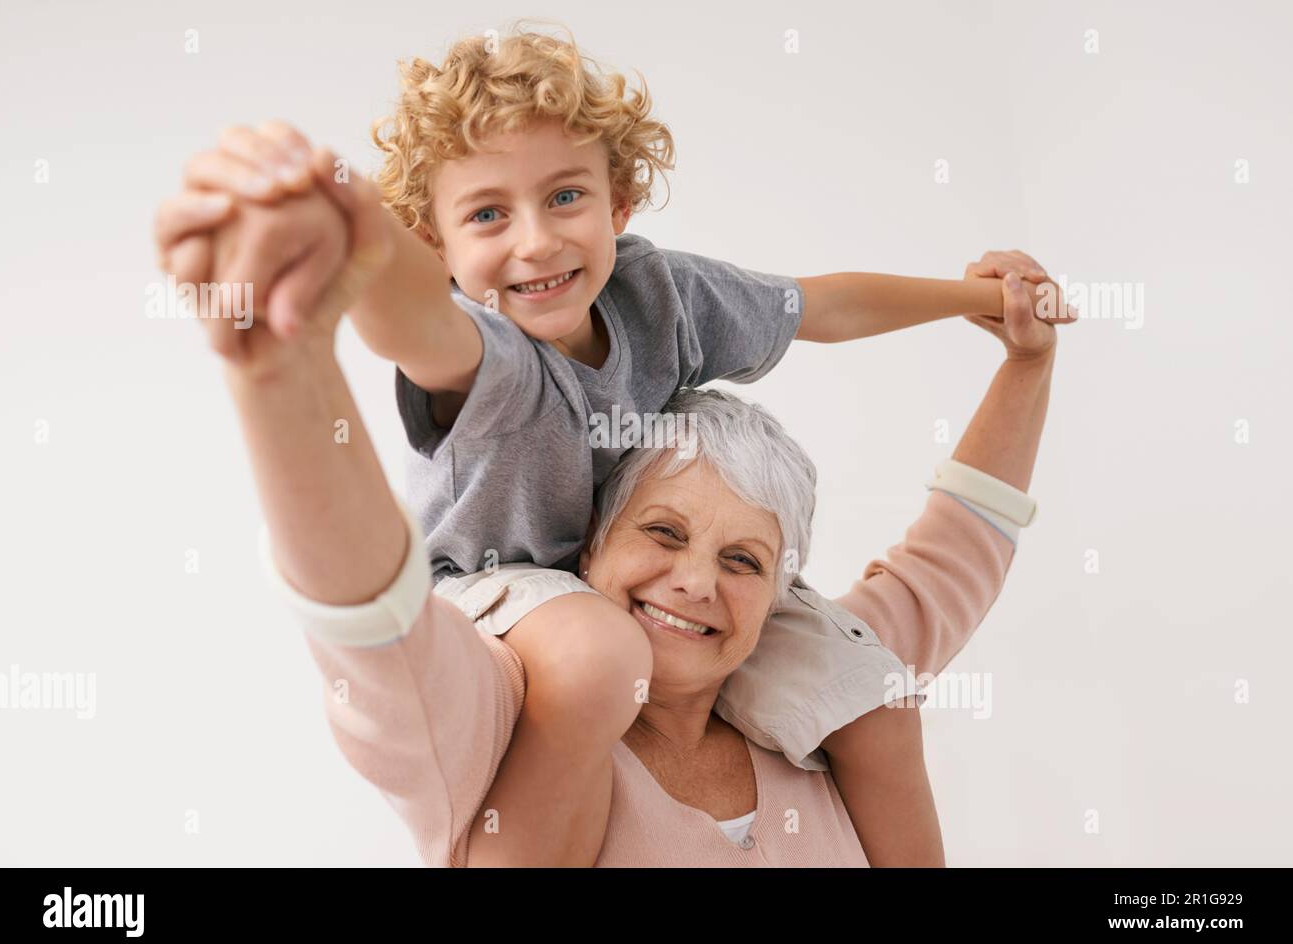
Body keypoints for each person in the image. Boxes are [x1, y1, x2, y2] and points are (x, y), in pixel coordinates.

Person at [153, 23, 1068, 864]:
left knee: (876, 695)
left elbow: (826, 314)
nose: (537, 241)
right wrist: (343, 229)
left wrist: (990, 309)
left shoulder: (663, 299)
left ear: (620, 201)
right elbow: (413, 326)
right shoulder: (499, 367)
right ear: (433, 243)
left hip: (590, 608)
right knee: (597, 657)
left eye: (564, 196)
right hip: (497, 590)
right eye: (487, 216)